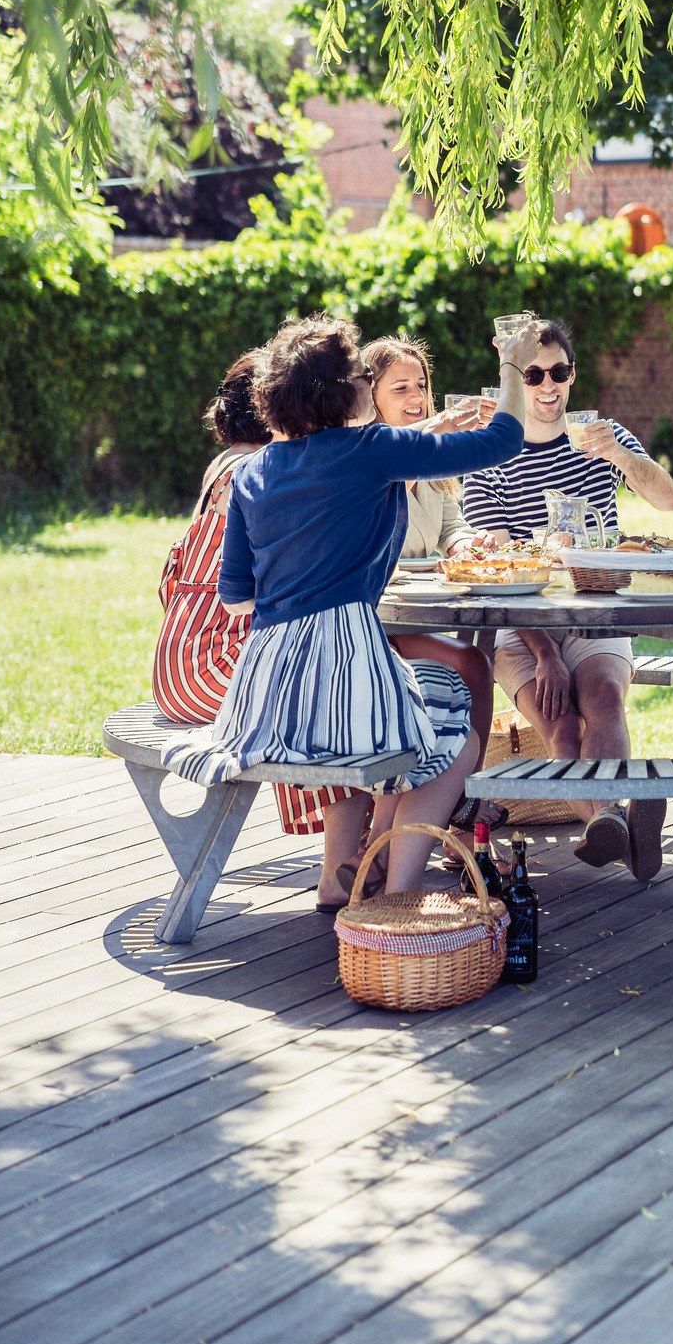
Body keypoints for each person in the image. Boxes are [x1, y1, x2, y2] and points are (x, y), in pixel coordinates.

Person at [163, 312, 537, 910]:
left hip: (267, 697)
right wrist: (513, 366)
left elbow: (236, 595)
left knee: (392, 709)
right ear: (343, 390)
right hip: (348, 657)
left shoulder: (256, 469)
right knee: (454, 722)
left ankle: (348, 876)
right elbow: (502, 441)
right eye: (359, 371)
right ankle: (397, 894)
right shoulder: (370, 449)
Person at [461, 315, 673, 877]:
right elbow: (499, 569)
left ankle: (607, 822)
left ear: (572, 374)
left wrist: (622, 458)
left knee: (603, 697)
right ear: (517, 379)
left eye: (557, 371)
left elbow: (669, 500)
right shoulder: (491, 452)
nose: (546, 385)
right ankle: (618, 819)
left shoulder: (599, 435)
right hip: (521, 623)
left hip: (595, 609)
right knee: (559, 723)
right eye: (532, 375)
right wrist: (545, 652)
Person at [153, 350, 354, 841]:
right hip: (209, 670)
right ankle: (350, 854)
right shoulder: (255, 469)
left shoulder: (226, 465)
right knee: (334, 699)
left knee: (314, 678)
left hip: (179, 663)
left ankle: (351, 848)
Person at [361, 331, 499, 798]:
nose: (416, 397)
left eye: (420, 384)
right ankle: (465, 799)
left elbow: (450, 526)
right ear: (371, 396)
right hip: (380, 623)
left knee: (474, 659)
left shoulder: (434, 464)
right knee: (473, 665)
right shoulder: (370, 456)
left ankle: (454, 792)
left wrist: (465, 544)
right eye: (400, 388)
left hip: (421, 608)